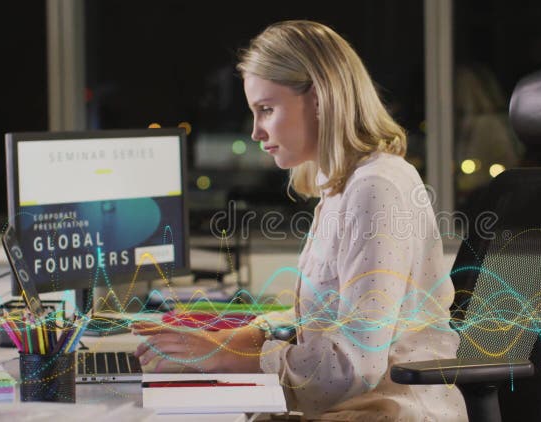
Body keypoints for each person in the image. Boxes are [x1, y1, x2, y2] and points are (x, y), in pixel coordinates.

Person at [133, 20, 466, 421]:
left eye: (267, 110)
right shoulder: (343, 188)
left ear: (321, 98)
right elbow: (327, 323)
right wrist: (227, 339)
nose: (256, 131)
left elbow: (352, 365)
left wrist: (221, 355)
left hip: (387, 411)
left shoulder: (376, 188)